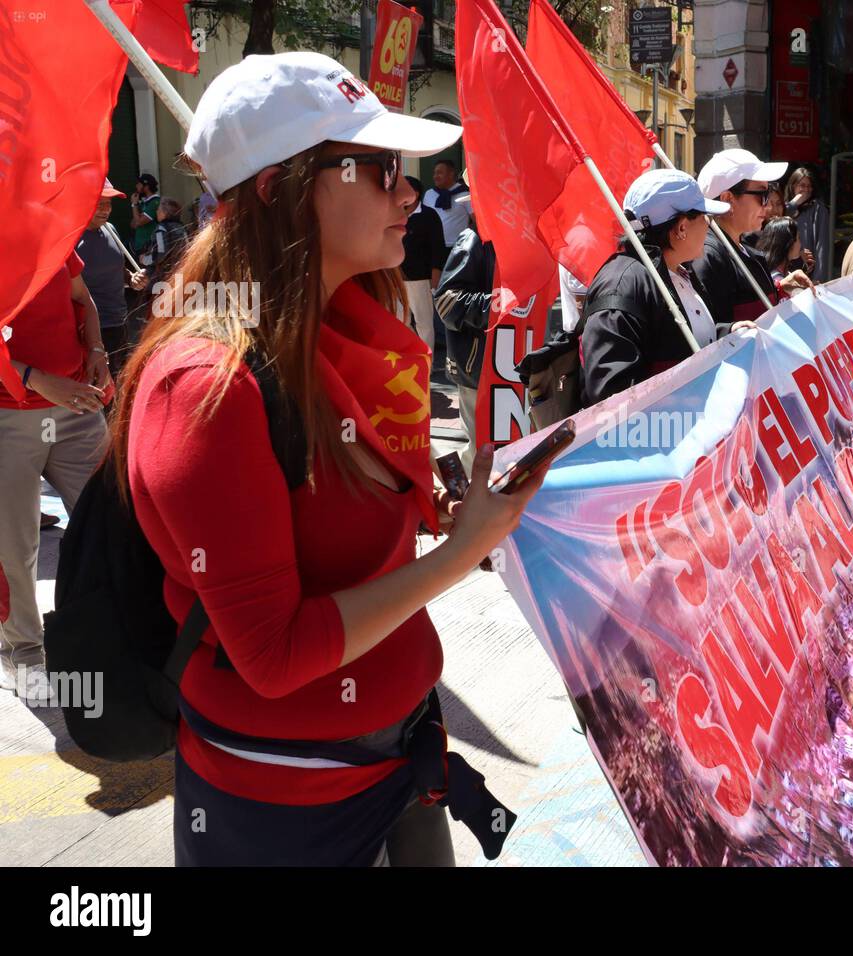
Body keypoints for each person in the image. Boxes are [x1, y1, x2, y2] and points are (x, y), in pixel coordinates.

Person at [111, 51, 541, 866]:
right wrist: (461, 553)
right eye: (378, 169)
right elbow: (271, 656)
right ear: (278, 189)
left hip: (398, 755)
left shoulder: (345, 338)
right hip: (286, 804)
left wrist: (440, 514)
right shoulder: (205, 385)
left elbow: (343, 538)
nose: (408, 192)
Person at [0, 251, 111, 701]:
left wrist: (99, 350)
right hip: (8, 415)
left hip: (76, 409)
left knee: (111, 524)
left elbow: (84, 301)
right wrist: (36, 379)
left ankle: (113, 637)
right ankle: (23, 653)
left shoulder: (54, 236)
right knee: (14, 544)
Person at [581, 168, 733, 405]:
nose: (709, 226)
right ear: (682, 227)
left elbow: (680, 340)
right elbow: (611, 392)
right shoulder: (622, 285)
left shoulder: (678, 272)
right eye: (704, 217)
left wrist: (728, 333)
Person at [693, 148, 814, 326]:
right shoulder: (708, 256)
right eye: (763, 195)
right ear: (728, 199)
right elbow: (711, 337)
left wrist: (780, 289)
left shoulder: (745, 250)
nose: (767, 206)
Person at [433, 191, 493, 473]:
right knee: (479, 446)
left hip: (497, 360)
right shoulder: (472, 240)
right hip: (477, 363)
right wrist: (495, 304)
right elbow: (446, 301)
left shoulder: (498, 242)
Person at [77, 178, 148, 378]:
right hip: (90, 331)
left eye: (108, 204)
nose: (106, 209)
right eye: (99, 203)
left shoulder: (111, 229)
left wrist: (132, 279)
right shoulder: (71, 239)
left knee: (120, 383)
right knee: (98, 386)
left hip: (119, 323)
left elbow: (118, 270)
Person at [399, 174, 447, 354]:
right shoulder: (395, 213)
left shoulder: (429, 215)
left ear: (416, 193)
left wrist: (435, 278)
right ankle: (410, 356)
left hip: (420, 278)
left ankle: (428, 362)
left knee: (424, 322)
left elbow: (437, 248)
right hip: (396, 278)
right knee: (399, 321)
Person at [785, 166, 831, 282]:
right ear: (792, 186)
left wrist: (819, 280)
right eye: (802, 185)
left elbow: (822, 245)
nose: (807, 189)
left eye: (809, 186)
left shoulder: (818, 209)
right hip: (786, 272)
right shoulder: (784, 206)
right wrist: (794, 204)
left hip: (808, 274)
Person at [423, 160, 470, 257]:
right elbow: (424, 220)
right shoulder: (429, 194)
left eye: (439, 173)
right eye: (434, 173)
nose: (435, 176)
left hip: (458, 247)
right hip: (433, 246)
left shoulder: (465, 195)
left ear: (451, 174)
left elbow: (476, 220)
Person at [753, 216, 805, 292]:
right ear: (788, 242)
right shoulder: (774, 279)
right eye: (798, 238)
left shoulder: (780, 273)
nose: (800, 243)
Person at [129, 172, 161, 261]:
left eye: (139, 184)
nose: (136, 186)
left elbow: (139, 222)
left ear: (146, 187)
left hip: (149, 247)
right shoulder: (144, 202)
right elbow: (133, 224)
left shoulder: (155, 202)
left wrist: (134, 204)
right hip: (139, 245)